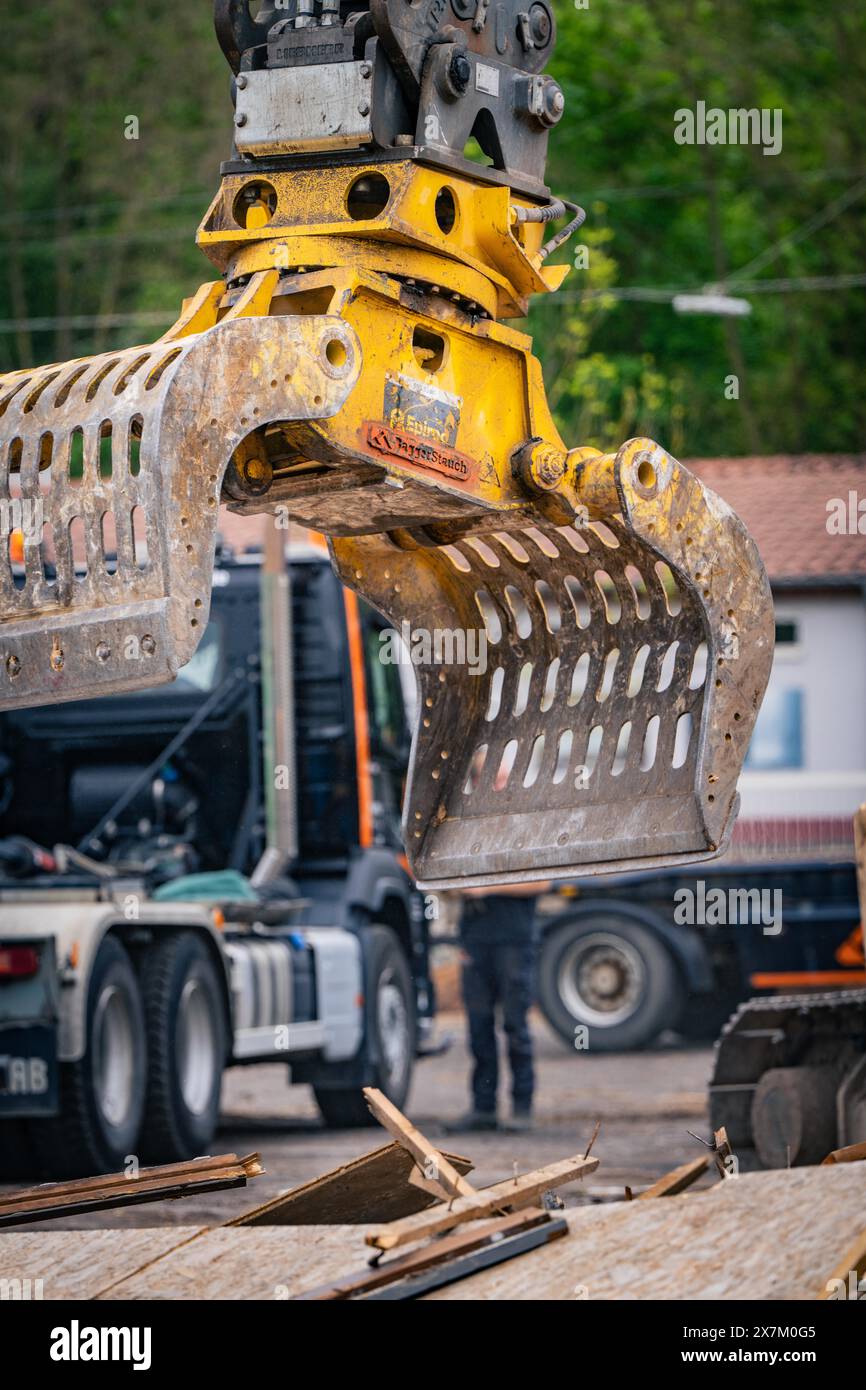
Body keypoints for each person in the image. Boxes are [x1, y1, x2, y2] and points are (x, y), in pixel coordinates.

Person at [447, 881, 549, 1133]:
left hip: (513, 940)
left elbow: (541, 883)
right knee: (478, 1027)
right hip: (475, 938)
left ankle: (522, 1107)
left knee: (516, 1026)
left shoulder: (520, 843)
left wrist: (487, 889)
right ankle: (484, 1108)